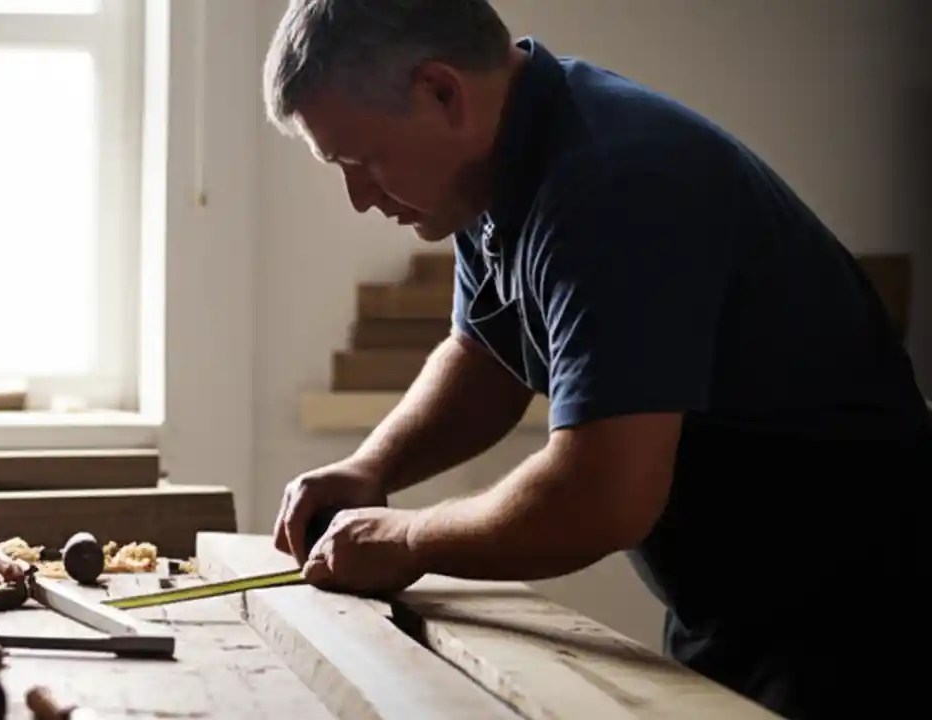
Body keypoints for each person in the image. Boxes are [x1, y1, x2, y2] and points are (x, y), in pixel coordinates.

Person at [262, 2, 930, 718]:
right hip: (736, 604)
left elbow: (601, 498)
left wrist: (411, 538)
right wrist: (372, 469)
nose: (359, 198)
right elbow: (486, 352)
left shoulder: (615, 182)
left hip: (861, 616)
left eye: (361, 162)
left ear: (441, 92)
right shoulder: (495, 167)